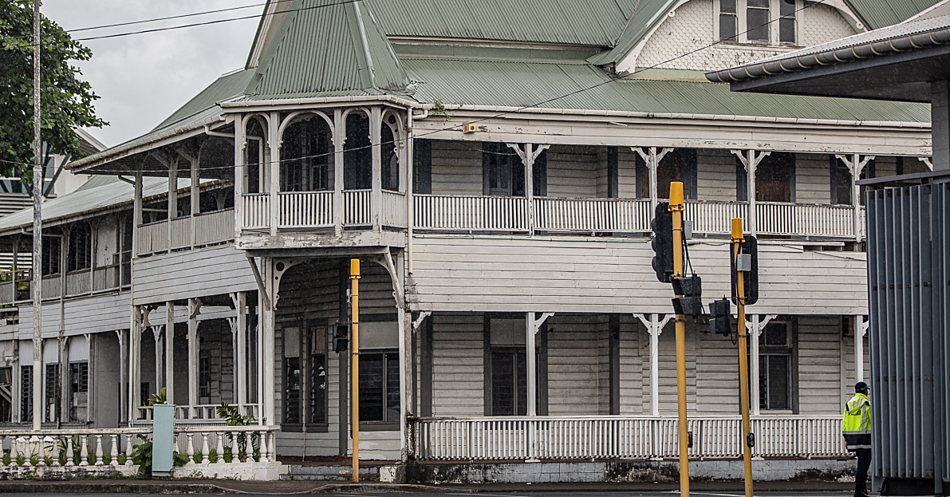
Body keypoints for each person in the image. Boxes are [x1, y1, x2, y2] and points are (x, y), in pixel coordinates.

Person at [843, 381, 871, 497]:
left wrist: (846, 438)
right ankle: (859, 490)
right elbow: (872, 419)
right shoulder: (867, 403)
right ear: (865, 391)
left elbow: (845, 422)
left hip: (853, 438)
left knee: (861, 464)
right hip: (866, 437)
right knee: (863, 466)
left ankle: (862, 489)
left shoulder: (849, 404)